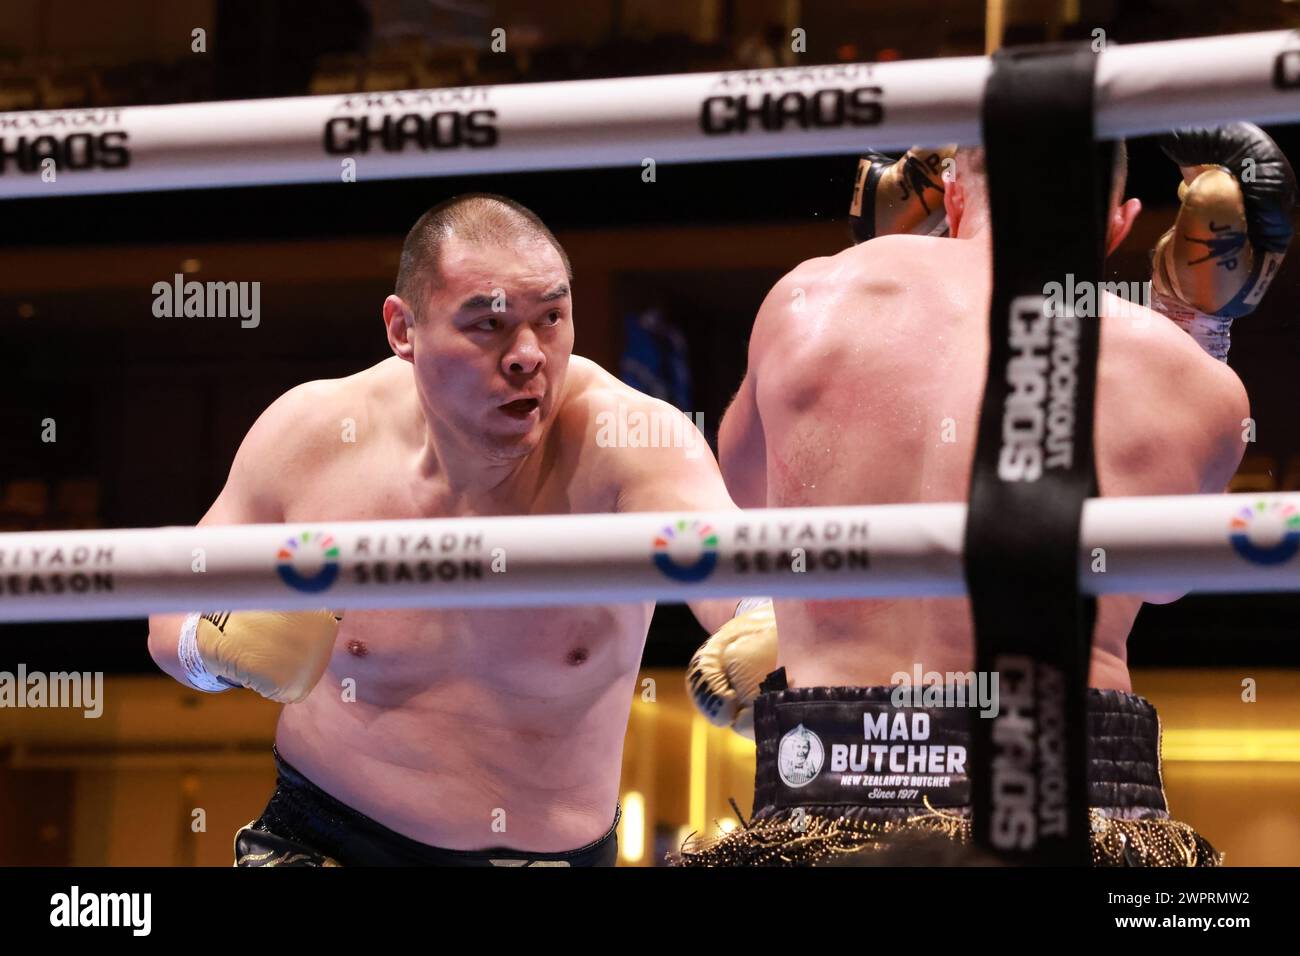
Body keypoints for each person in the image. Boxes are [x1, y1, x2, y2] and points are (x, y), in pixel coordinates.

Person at [680, 125, 1294, 866]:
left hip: (825, 802)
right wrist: (1200, 329)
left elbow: (752, 491)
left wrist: (864, 259)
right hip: (1074, 807)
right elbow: (1163, 582)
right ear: (1119, 222)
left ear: (956, 192)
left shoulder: (806, 304)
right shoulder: (1189, 379)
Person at [147, 193, 742, 866]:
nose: (527, 355)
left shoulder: (631, 441)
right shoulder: (312, 434)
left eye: (551, 317)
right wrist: (211, 645)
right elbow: (169, 612)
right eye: (488, 325)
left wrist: (763, 632)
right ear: (403, 329)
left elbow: (737, 574)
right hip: (323, 840)